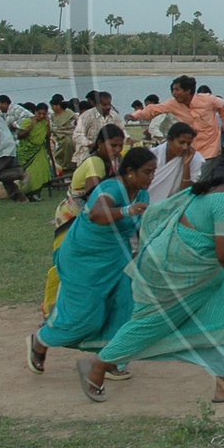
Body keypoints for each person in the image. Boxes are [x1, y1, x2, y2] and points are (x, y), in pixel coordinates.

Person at [73, 160, 224, 403]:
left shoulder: (217, 194)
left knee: (222, 320)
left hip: (199, 276)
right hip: (178, 274)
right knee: (154, 323)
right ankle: (99, 363)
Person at [28, 146, 156, 376]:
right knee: (85, 316)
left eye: (153, 172)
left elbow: (138, 229)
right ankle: (40, 341)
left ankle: (110, 360)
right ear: (130, 172)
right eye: (147, 172)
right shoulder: (111, 189)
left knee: (123, 308)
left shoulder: (142, 194)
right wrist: (127, 210)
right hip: (84, 260)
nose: (151, 177)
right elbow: (97, 214)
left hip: (117, 261)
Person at [44, 125, 125, 317]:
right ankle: (50, 309)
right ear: (100, 143)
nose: (117, 150)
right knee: (64, 262)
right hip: (72, 217)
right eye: (113, 145)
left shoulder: (107, 162)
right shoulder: (96, 162)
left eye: (120, 146)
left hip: (79, 216)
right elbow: (94, 194)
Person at [127, 76, 224, 161]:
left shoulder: (207, 100)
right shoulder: (173, 104)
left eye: (177, 90)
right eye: (173, 90)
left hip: (210, 150)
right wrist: (134, 116)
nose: (173, 93)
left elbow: (222, 106)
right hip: (189, 150)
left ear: (187, 91)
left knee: (199, 178)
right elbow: (153, 109)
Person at [147, 122, 204, 204]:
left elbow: (186, 194)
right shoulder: (153, 154)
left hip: (173, 205)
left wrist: (186, 165)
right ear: (169, 140)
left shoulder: (195, 159)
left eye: (188, 144)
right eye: (181, 142)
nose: (185, 147)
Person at [71, 91, 123, 167]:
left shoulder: (114, 116)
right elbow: (77, 135)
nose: (108, 107)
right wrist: (90, 144)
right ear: (97, 104)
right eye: (104, 105)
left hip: (108, 155)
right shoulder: (87, 116)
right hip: (87, 154)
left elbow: (122, 131)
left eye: (109, 104)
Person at [15, 102, 55, 200]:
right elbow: (20, 136)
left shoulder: (45, 123)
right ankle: (27, 193)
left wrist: (48, 125)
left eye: (44, 114)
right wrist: (31, 126)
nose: (41, 116)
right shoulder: (27, 121)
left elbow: (47, 136)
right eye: (39, 113)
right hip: (27, 151)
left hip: (39, 150)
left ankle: (35, 194)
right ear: (35, 112)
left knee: (39, 171)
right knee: (29, 172)